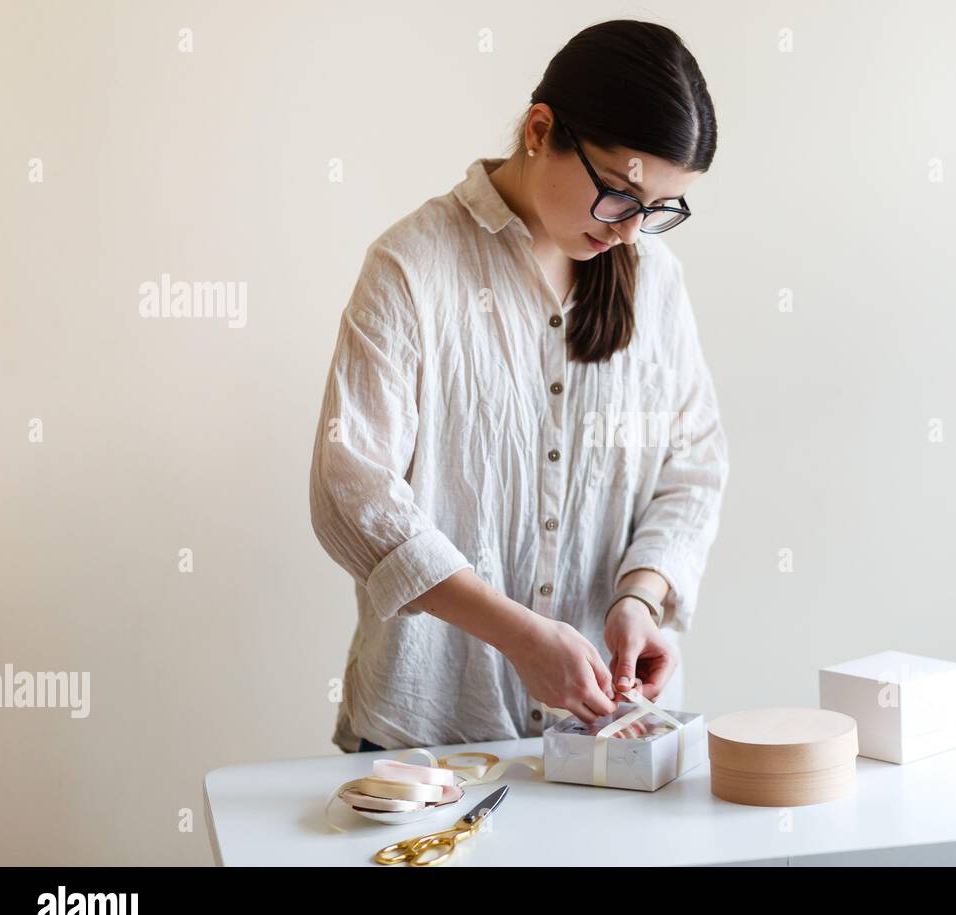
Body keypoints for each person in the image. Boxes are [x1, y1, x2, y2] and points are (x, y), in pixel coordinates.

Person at [309, 19, 728, 753]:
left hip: (607, 741)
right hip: (431, 737)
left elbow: (693, 466)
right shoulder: (414, 267)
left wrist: (641, 594)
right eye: (621, 195)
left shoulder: (656, 282)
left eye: (659, 209)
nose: (632, 233)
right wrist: (519, 636)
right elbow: (353, 489)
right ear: (541, 130)